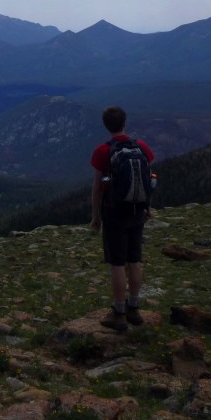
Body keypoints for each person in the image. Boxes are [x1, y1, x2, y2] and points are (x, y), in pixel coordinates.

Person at [90, 105, 155, 332]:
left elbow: (97, 187)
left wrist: (95, 215)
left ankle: (118, 313)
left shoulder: (103, 151)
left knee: (118, 263)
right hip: (137, 211)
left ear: (106, 125)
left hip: (115, 213)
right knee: (135, 259)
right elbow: (147, 178)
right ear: (124, 123)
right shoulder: (142, 147)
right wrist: (147, 206)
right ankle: (134, 308)